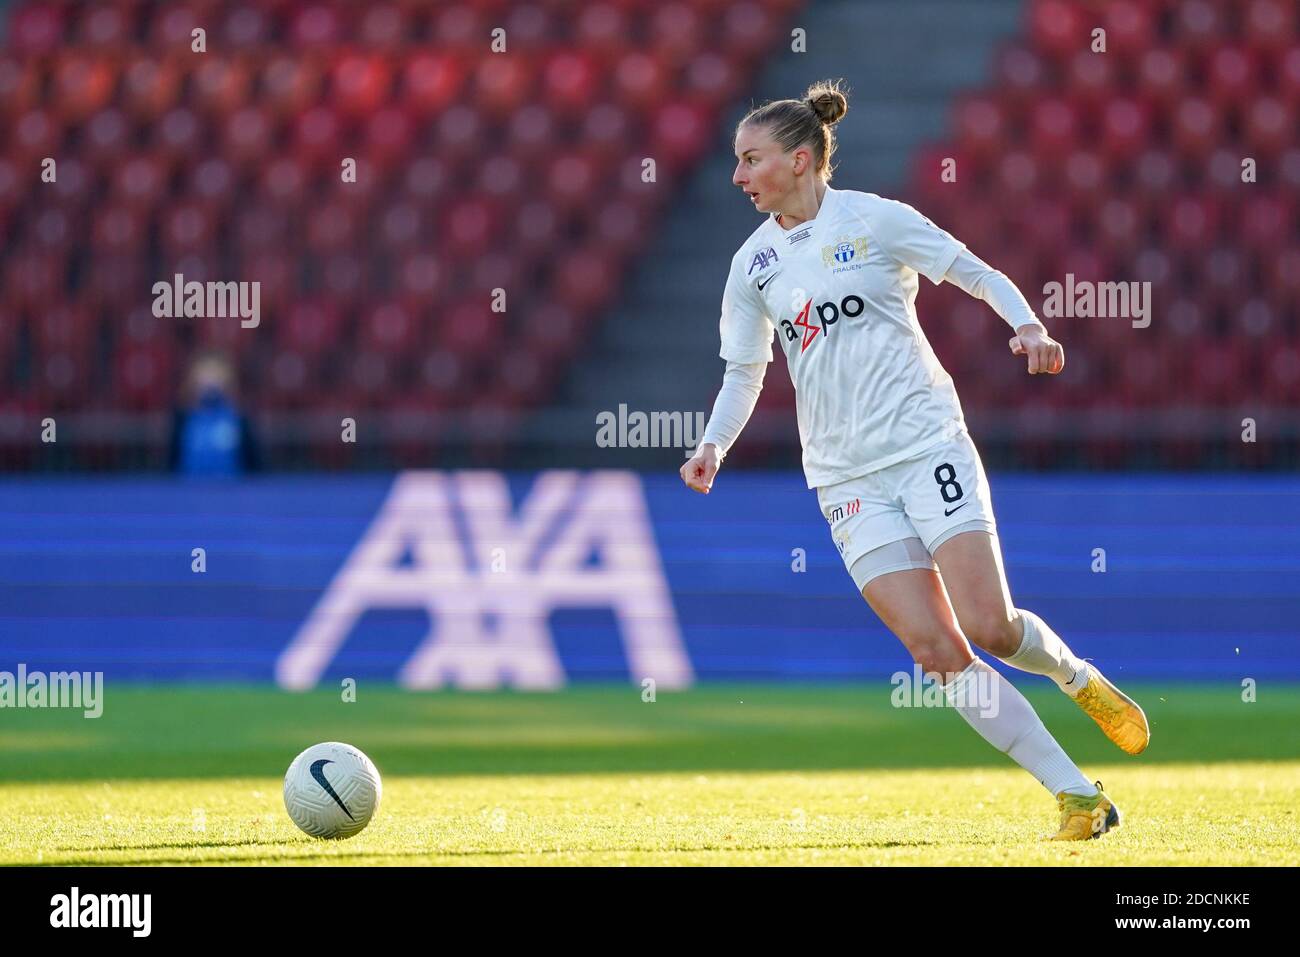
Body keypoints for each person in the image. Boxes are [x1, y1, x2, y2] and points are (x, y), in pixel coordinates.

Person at [680, 80, 1149, 841]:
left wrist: (1029, 326)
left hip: (926, 444)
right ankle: (1076, 794)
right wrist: (711, 445)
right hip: (844, 477)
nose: (737, 176)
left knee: (991, 628)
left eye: (749, 159)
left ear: (799, 160)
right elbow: (745, 369)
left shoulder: (876, 219)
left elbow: (973, 269)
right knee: (935, 650)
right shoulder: (752, 264)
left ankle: (1074, 674)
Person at [168, 351, 260, 476]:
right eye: (205, 376)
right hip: (189, 491)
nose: (210, 383)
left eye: (216, 376)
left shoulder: (240, 420)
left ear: (227, 381)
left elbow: (255, 466)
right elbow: (171, 464)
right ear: (194, 381)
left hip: (233, 492)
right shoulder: (182, 419)